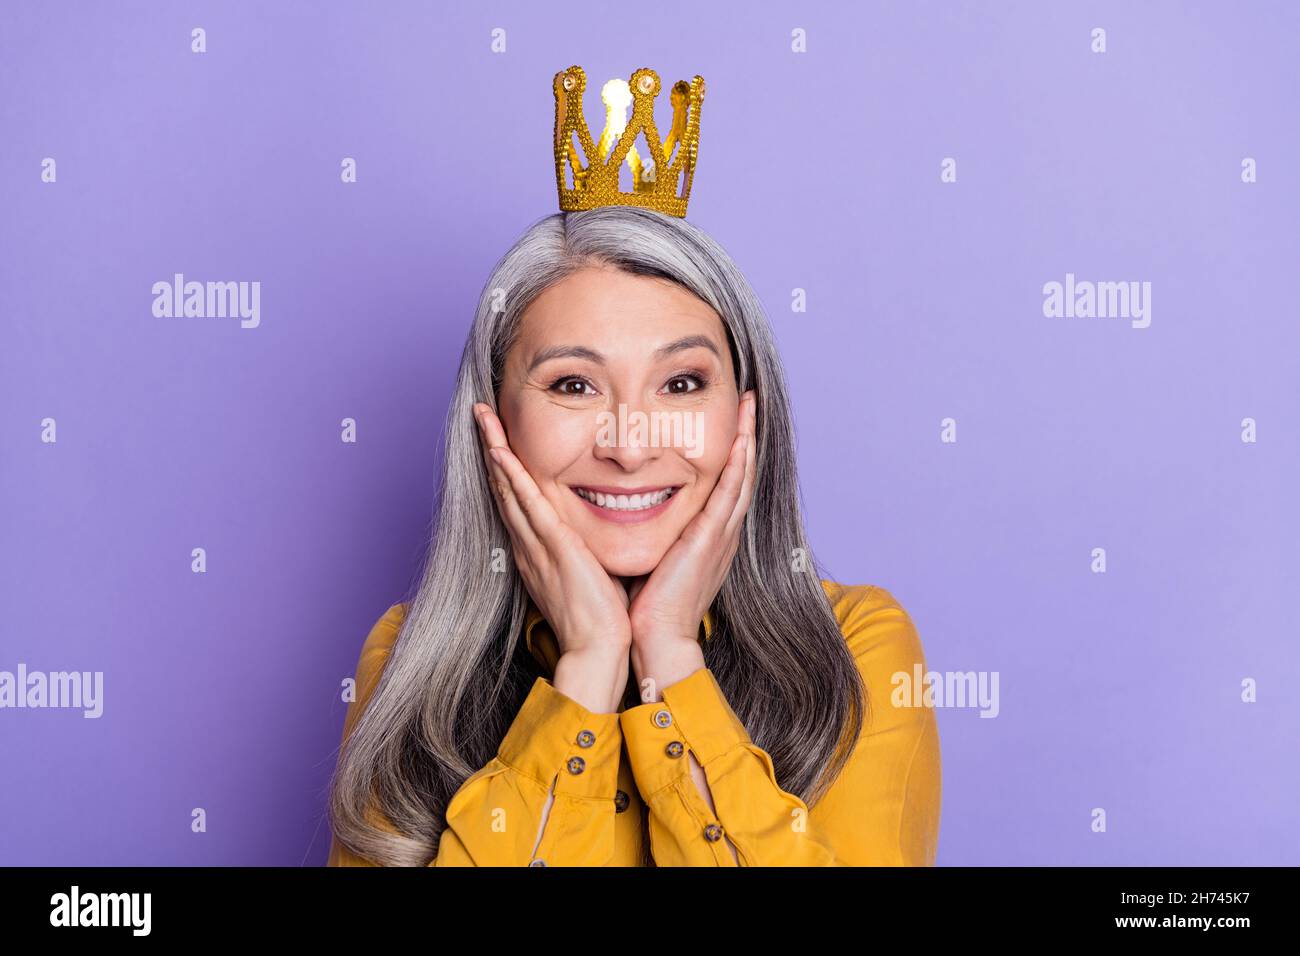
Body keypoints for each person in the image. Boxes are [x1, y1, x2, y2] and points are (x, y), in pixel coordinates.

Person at [326, 66, 940, 867]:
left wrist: (672, 658)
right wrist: (585, 671)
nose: (630, 441)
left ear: (746, 413)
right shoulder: (409, 662)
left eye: (682, 383)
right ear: (494, 423)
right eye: (573, 384)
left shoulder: (858, 652)